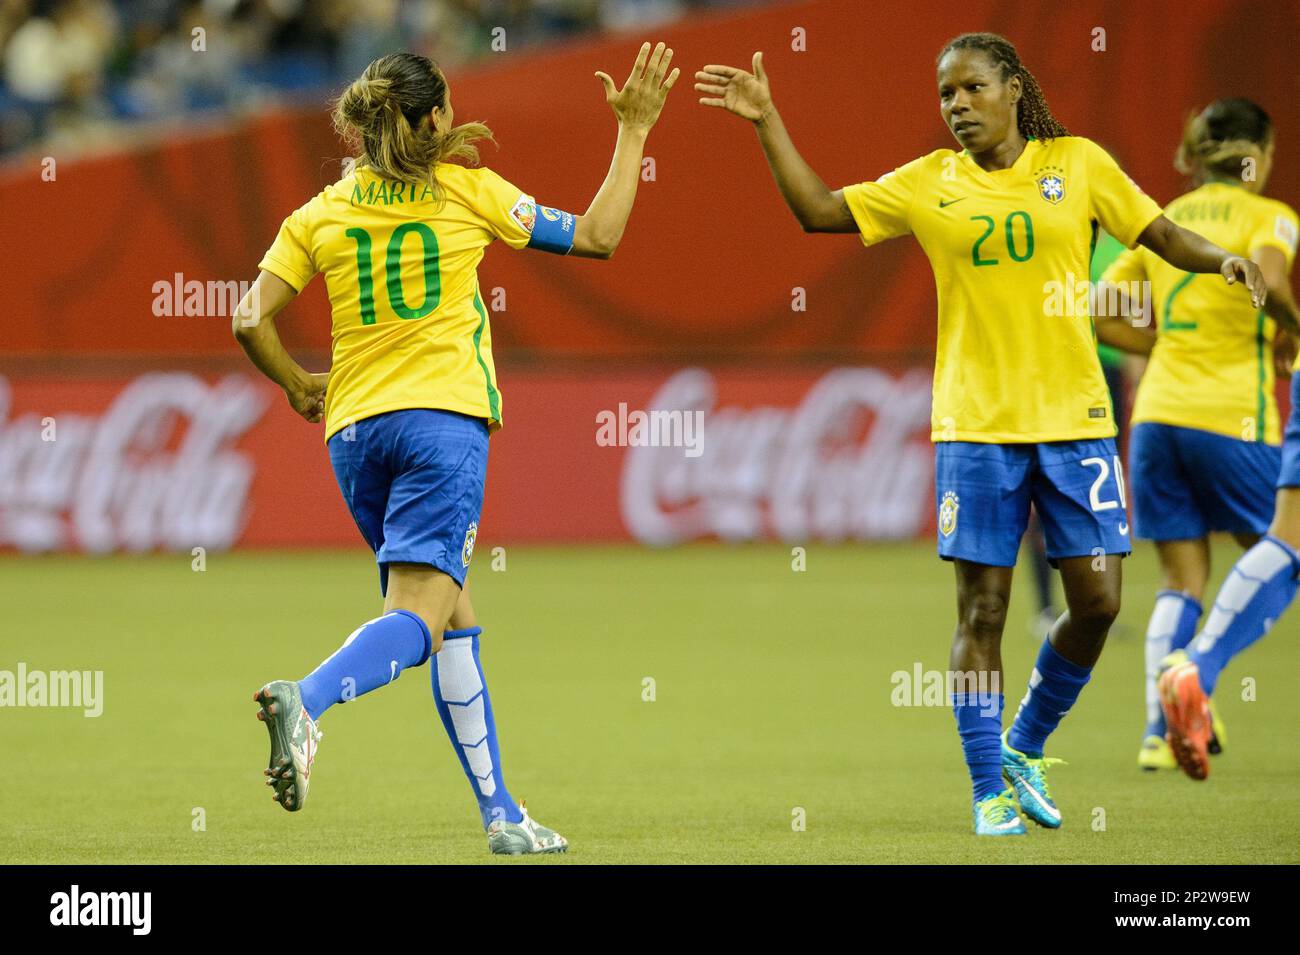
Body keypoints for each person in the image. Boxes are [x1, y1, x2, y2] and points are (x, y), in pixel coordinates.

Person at [696, 32, 1266, 835]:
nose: (957, 106)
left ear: (1013, 90)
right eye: (945, 95)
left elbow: (1160, 235)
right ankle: (985, 788)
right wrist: (766, 120)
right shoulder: (930, 183)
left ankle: (1024, 744)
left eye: (971, 89)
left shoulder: (1080, 164)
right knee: (984, 612)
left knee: (1100, 600)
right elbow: (819, 211)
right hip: (976, 427)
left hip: (1077, 423)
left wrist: (1222, 261)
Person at [231, 44, 679, 853]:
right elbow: (600, 235)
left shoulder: (319, 212)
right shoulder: (468, 193)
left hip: (355, 436)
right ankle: (308, 698)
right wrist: (635, 132)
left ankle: (502, 815)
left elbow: (245, 318)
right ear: (435, 117)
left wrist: (298, 384)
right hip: (441, 423)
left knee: (453, 619)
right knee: (417, 614)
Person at [1096, 98, 1299, 774]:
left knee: (1181, 577)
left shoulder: (1167, 219)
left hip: (1156, 418)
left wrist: (1161, 341)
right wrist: (1293, 330)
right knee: (1285, 548)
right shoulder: (1268, 216)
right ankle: (1199, 672)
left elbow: (1100, 310)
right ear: (1260, 156)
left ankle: (1159, 732)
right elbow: (1268, 281)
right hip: (1231, 419)